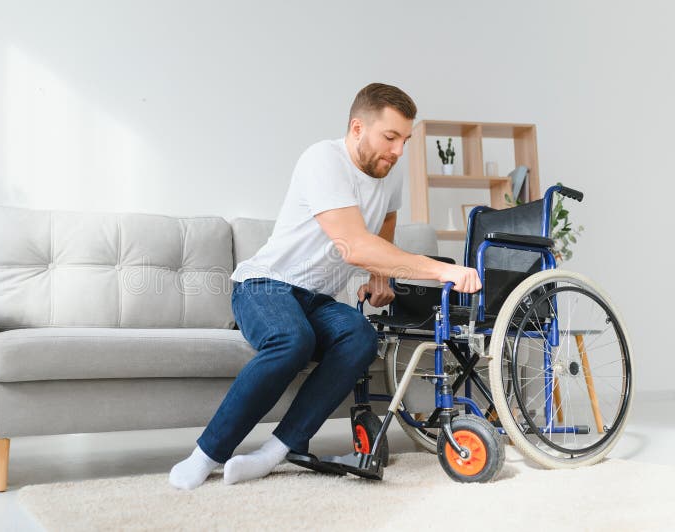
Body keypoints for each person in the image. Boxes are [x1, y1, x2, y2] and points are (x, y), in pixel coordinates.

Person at [169, 83, 481, 490]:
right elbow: (353, 245)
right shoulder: (323, 159)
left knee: (360, 338)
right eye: (390, 137)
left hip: (318, 299)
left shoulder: (390, 171)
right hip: (265, 284)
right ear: (357, 128)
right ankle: (206, 454)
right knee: (291, 339)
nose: (398, 150)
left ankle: (276, 451)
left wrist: (381, 275)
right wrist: (441, 271)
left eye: (405, 139)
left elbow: (386, 222)